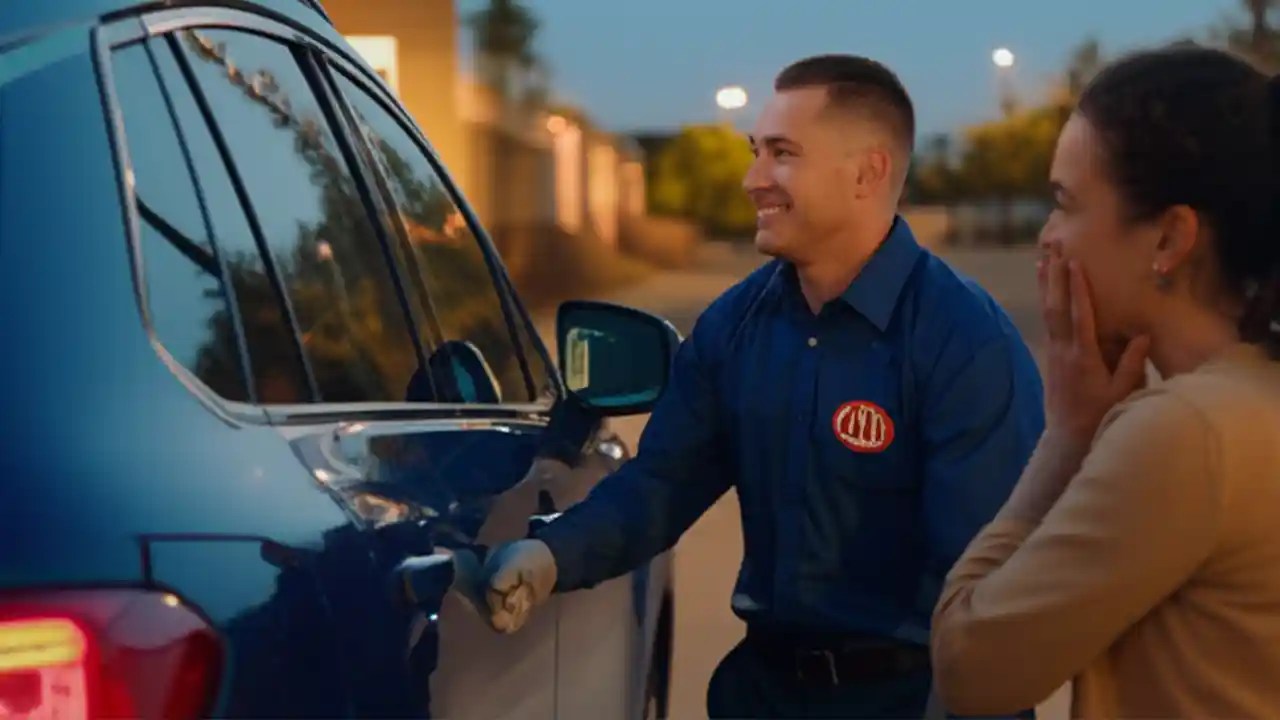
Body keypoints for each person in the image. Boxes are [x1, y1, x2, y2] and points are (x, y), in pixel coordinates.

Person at [481, 54, 1044, 718]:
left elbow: (989, 594)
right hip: (762, 695)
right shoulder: (735, 327)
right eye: (757, 152)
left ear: (868, 172)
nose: (753, 180)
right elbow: (662, 485)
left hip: (911, 699)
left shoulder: (964, 343)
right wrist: (550, 556)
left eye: (782, 154)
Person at [931, 43, 1280, 718]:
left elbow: (971, 669)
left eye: (1065, 203)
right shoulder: (1247, 399)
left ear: (1170, 239)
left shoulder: (1187, 432)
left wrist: (1068, 435)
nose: (1048, 239)